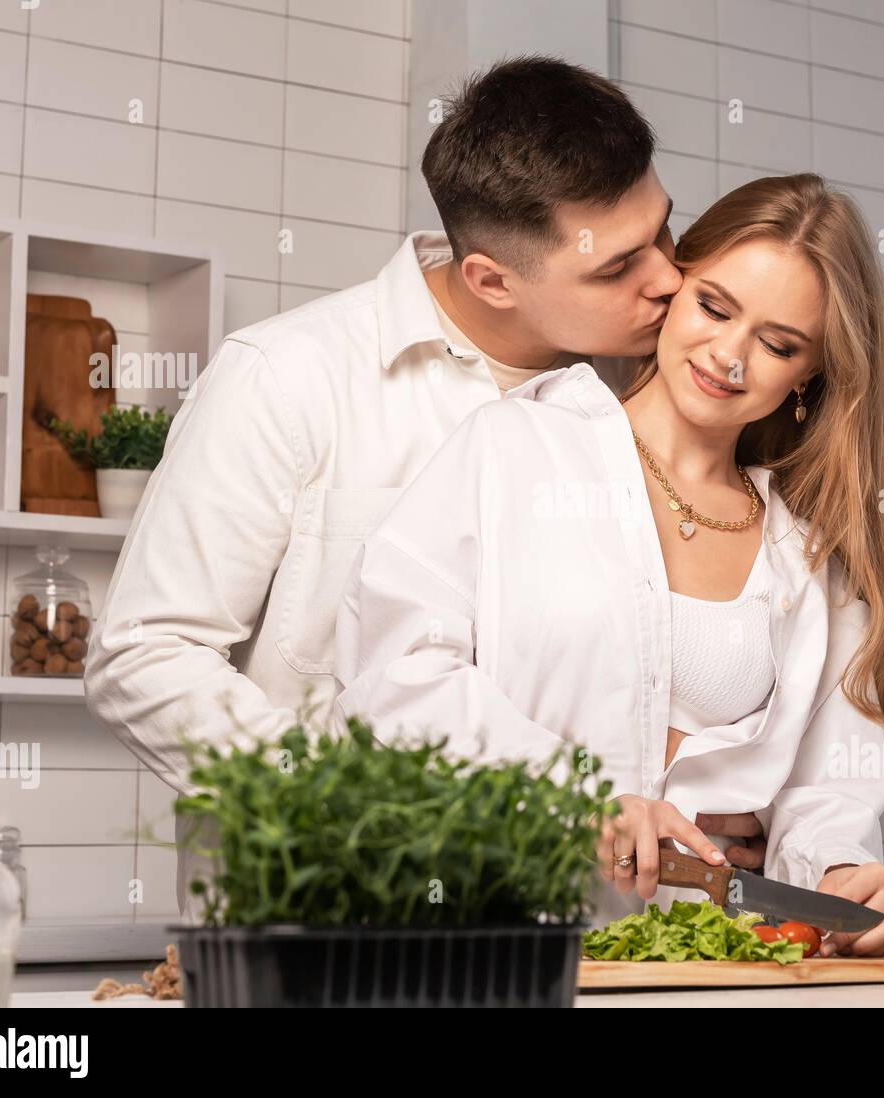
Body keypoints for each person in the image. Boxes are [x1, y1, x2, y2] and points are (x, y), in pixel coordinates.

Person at [82, 57, 801, 918]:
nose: (668, 280)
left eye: (664, 233)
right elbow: (144, 656)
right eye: (617, 269)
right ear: (491, 279)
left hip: (581, 937)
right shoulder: (289, 378)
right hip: (330, 923)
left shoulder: (659, 392)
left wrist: (720, 797)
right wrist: (360, 806)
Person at [334, 173, 884, 955]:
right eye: (714, 306)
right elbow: (392, 680)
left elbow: (826, 786)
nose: (729, 356)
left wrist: (841, 872)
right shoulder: (512, 448)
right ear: (673, 287)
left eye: (778, 345)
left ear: (808, 374)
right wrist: (581, 797)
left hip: (707, 966)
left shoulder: (810, 560)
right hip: (490, 949)